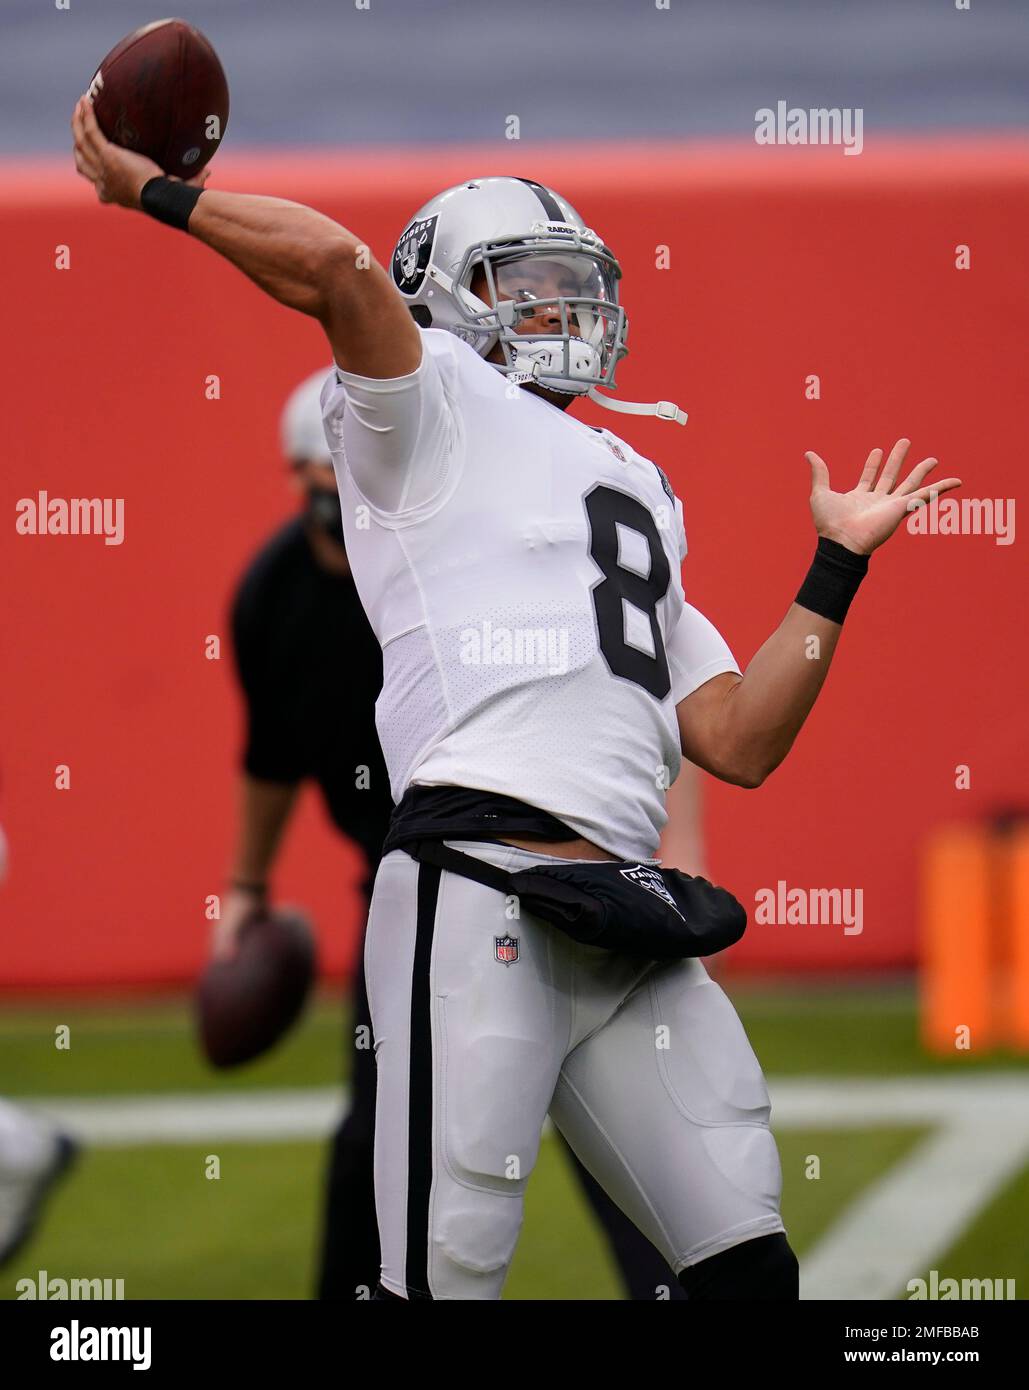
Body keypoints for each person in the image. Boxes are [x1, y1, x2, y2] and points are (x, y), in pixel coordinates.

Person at [71, 101, 960, 1300]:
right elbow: (335, 265)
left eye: (569, 282)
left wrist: (835, 569)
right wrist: (154, 192)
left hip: (622, 917)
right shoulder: (421, 405)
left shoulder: (636, 480)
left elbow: (740, 739)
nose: (562, 307)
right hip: (477, 880)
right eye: (525, 283)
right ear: (446, 298)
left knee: (748, 1268)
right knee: (443, 1280)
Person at [220, 369, 700, 1299]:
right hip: (416, 878)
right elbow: (269, 759)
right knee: (386, 1123)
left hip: (558, 854)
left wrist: (667, 849)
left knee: (614, 1110)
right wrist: (245, 887)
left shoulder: (468, 557)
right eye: (318, 472)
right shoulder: (274, 596)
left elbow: (634, 693)